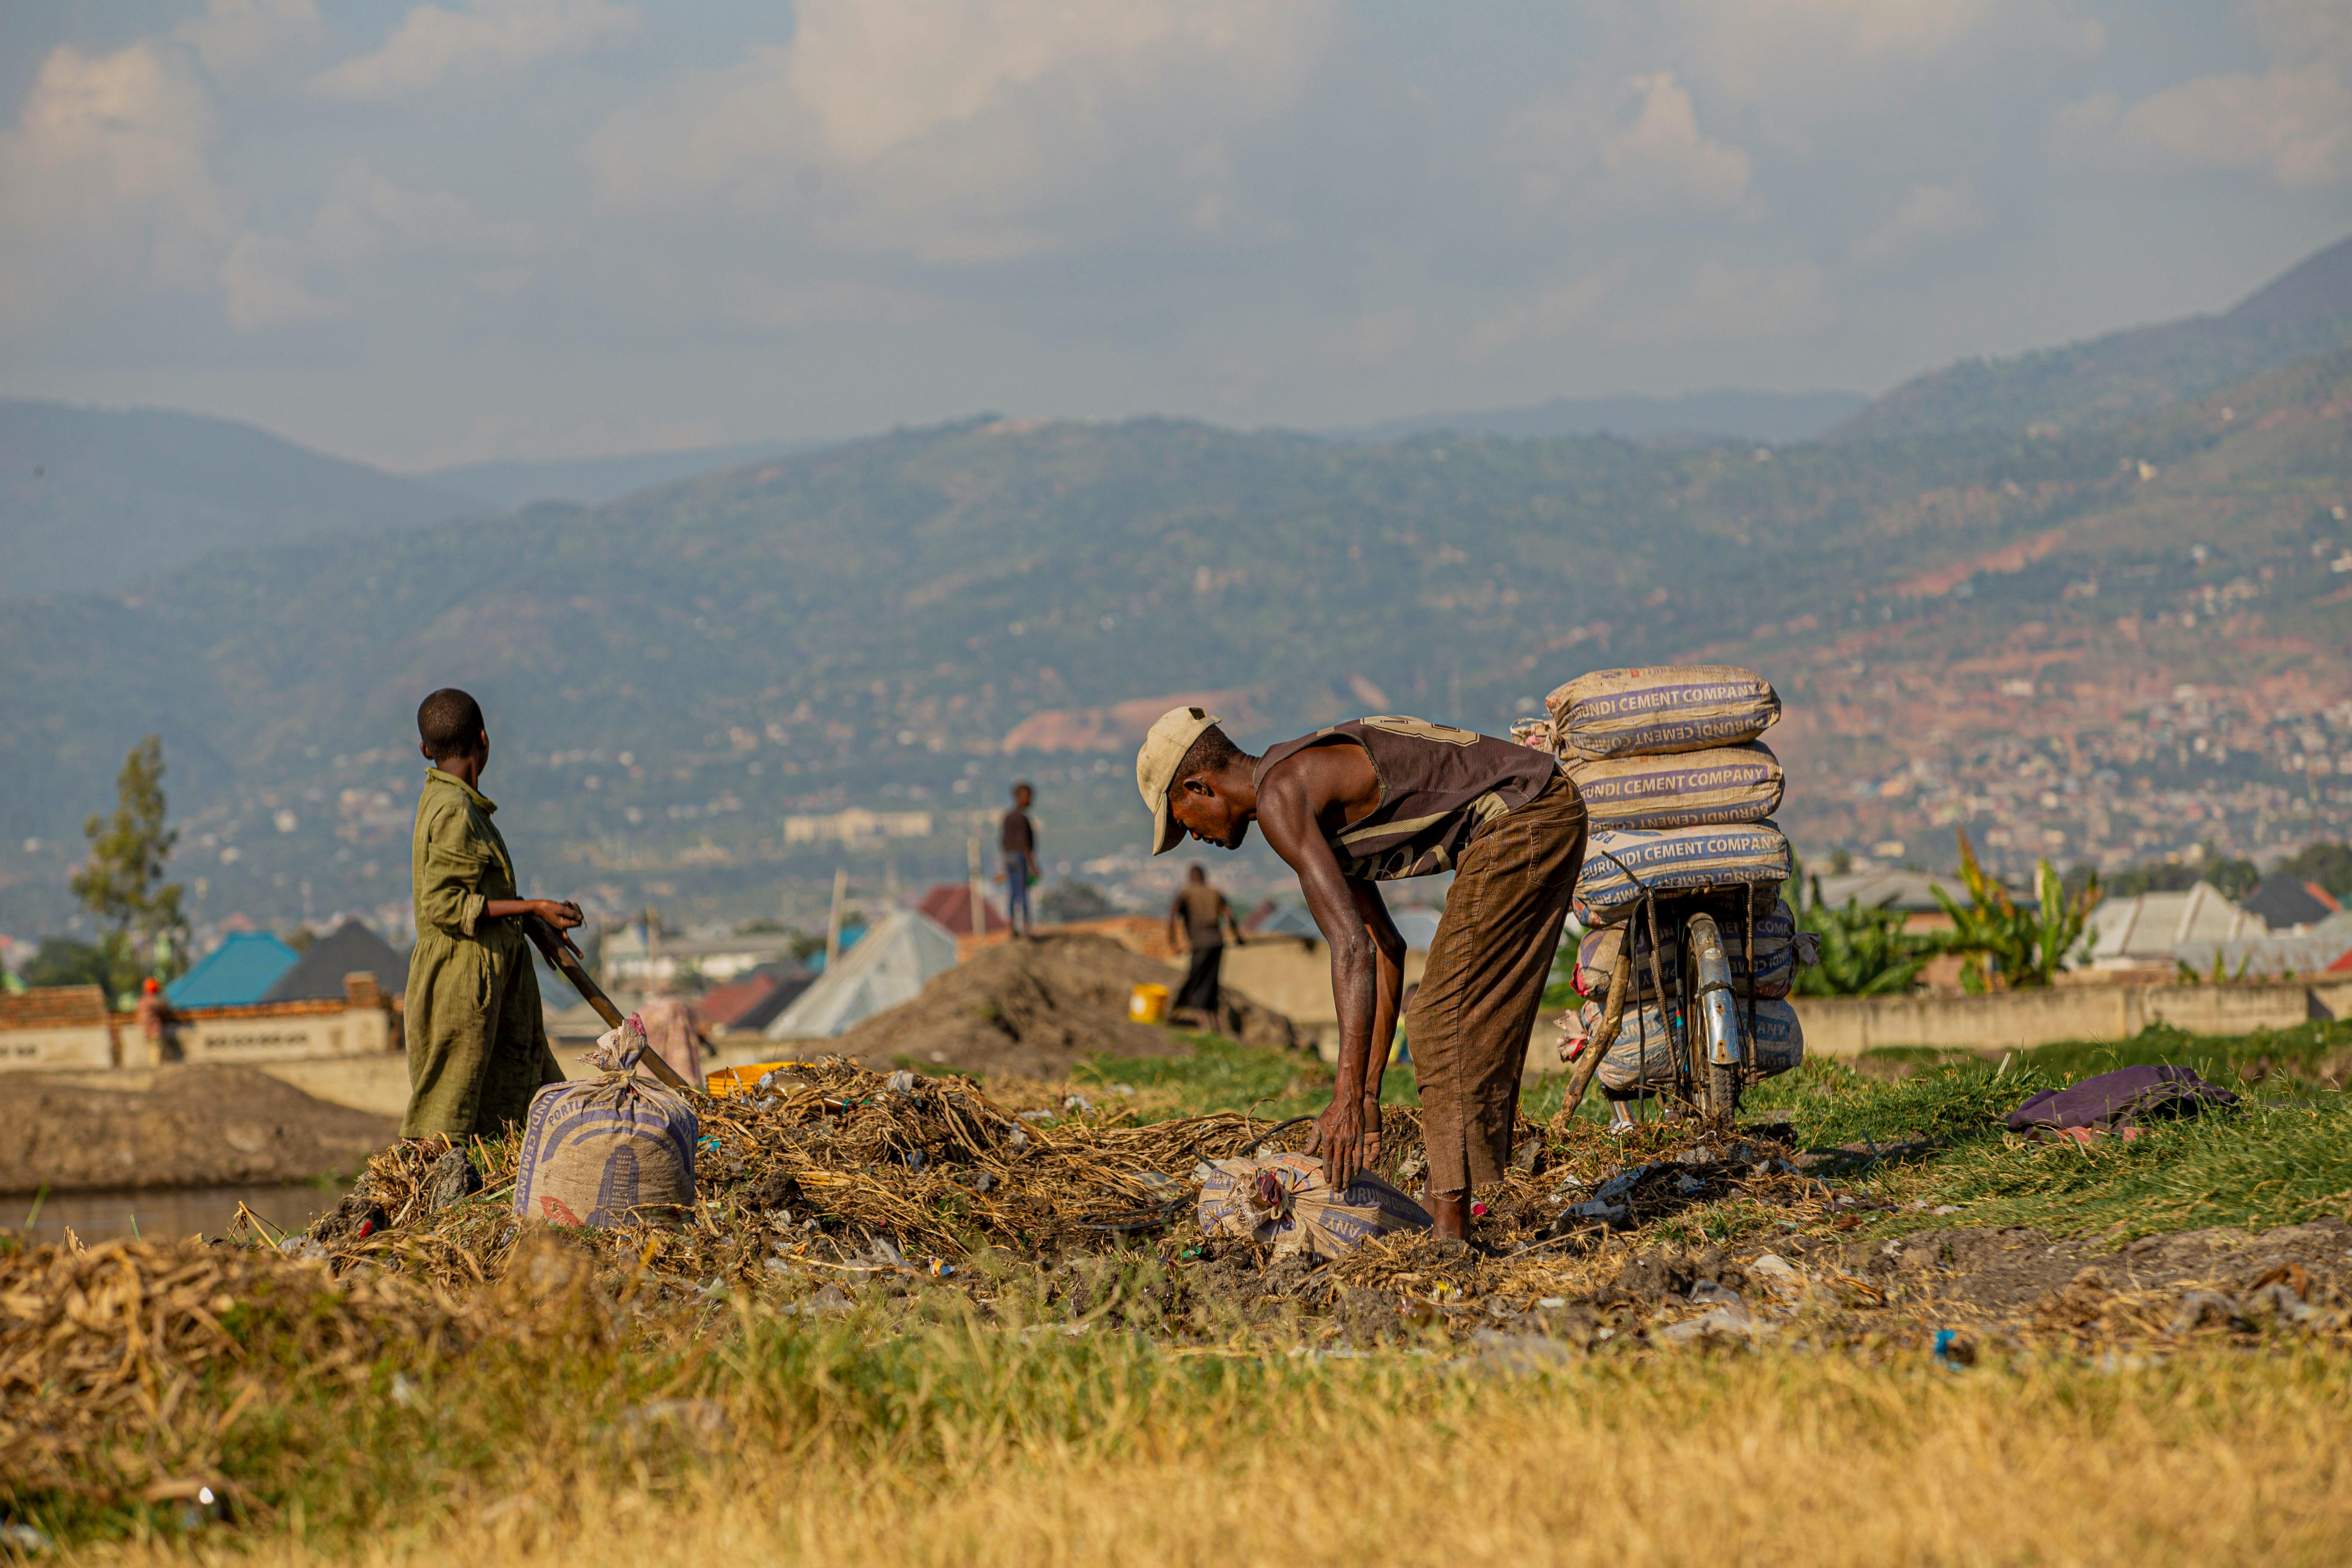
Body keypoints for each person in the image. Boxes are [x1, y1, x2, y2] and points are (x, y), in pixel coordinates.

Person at [1136, 707, 1583, 1241]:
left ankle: (1448, 1234)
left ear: (1198, 786)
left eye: (1179, 817)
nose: (1188, 835)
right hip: (1542, 809)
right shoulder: (1299, 792)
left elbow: (1349, 949)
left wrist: (1345, 1097)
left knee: (1439, 1017)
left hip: (1525, 817)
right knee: (1455, 1011)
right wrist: (1367, 1094)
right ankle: (1451, 1210)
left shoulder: (1281, 797)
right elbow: (1382, 944)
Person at [401, 687, 583, 1140]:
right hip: (463, 981)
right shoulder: (454, 810)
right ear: (484, 739)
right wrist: (532, 905)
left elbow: (478, 898)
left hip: (492, 974)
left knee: (532, 1085)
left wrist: (531, 924)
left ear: (425, 750)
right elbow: (444, 905)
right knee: (450, 1116)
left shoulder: (453, 803)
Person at [1167, 865, 1246, 1028]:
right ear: (1204, 877)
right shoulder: (1215, 893)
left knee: (1196, 980)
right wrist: (1238, 937)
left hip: (1200, 943)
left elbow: (1173, 916)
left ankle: (1200, 1022)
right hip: (1217, 942)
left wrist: (1173, 943)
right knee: (1211, 981)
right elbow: (1229, 915)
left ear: (1191, 877)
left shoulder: (1186, 893)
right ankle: (1213, 1023)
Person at [1000, 781, 1038, 937]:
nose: (1030, 801)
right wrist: (1033, 866)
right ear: (1021, 797)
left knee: (1013, 892)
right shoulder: (1022, 819)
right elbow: (1025, 845)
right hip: (1019, 857)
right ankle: (1025, 928)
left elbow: (1003, 841)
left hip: (1009, 857)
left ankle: (1012, 926)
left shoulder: (1008, 817)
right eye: (1028, 797)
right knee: (1022, 892)